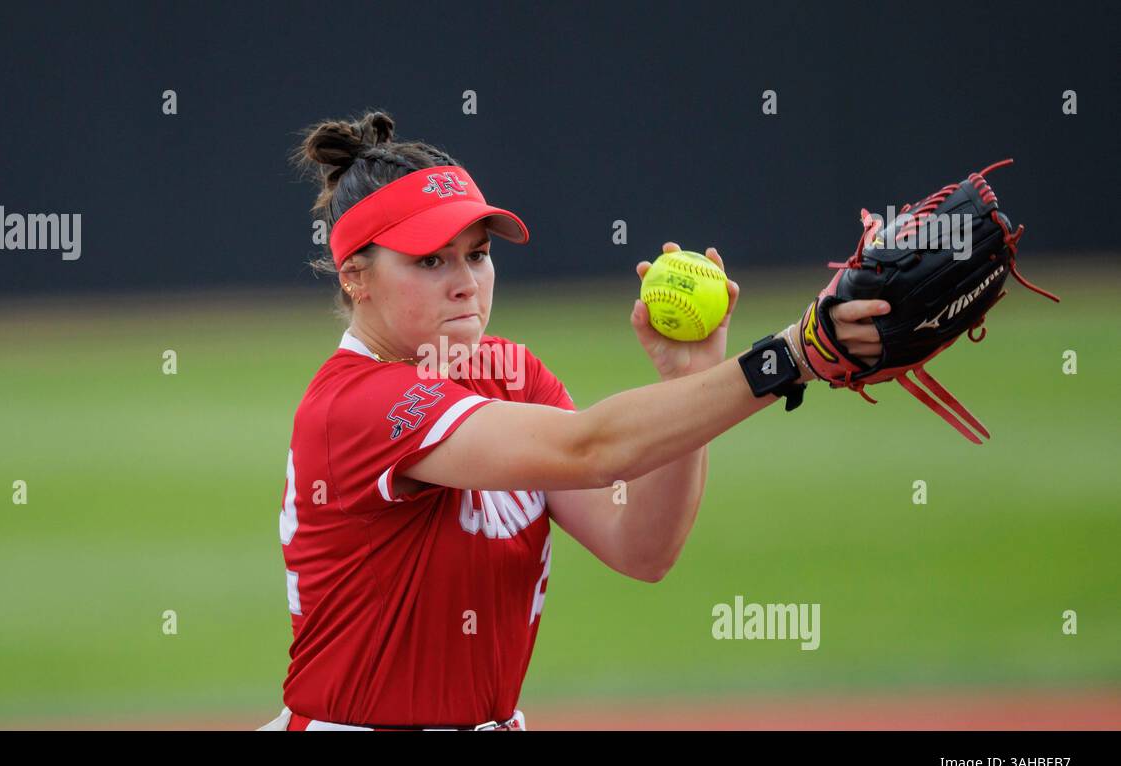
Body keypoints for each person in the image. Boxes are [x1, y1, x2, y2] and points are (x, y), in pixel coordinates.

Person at [260, 110, 887, 731]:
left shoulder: (507, 371)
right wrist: (792, 357)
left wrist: (689, 382)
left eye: (476, 255)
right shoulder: (355, 405)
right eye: (431, 261)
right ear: (355, 277)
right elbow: (591, 450)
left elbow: (641, 546)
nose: (466, 284)